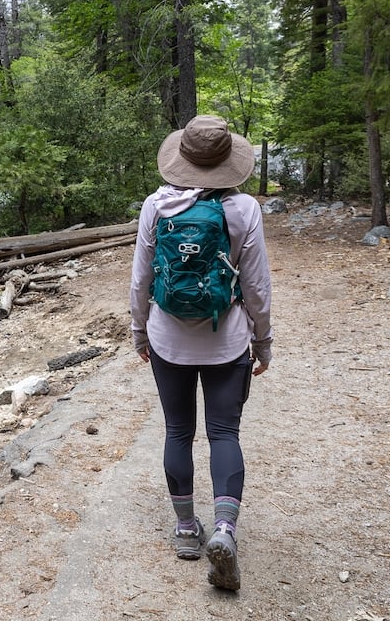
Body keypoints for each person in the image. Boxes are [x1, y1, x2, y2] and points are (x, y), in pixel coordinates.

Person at [129, 115, 273, 592]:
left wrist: (139, 331)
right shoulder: (245, 208)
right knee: (224, 432)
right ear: (229, 162)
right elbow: (255, 286)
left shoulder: (157, 204)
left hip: (168, 338)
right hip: (227, 339)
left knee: (177, 430)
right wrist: (263, 339)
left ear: (182, 157)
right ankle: (226, 530)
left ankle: (188, 529)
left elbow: (141, 278)